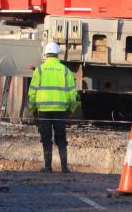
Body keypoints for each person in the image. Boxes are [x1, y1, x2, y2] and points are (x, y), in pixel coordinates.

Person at [27, 41, 79, 173]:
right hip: (60, 111)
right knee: (61, 139)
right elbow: (73, 93)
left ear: (45, 55)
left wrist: (32, 108)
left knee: (46, 139)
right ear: (57, 55)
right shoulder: (65, 71)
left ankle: (48, 167)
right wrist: (71, 109)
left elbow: (32, 92)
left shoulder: (39, 70)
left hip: (43, 111)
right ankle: (64, 168)